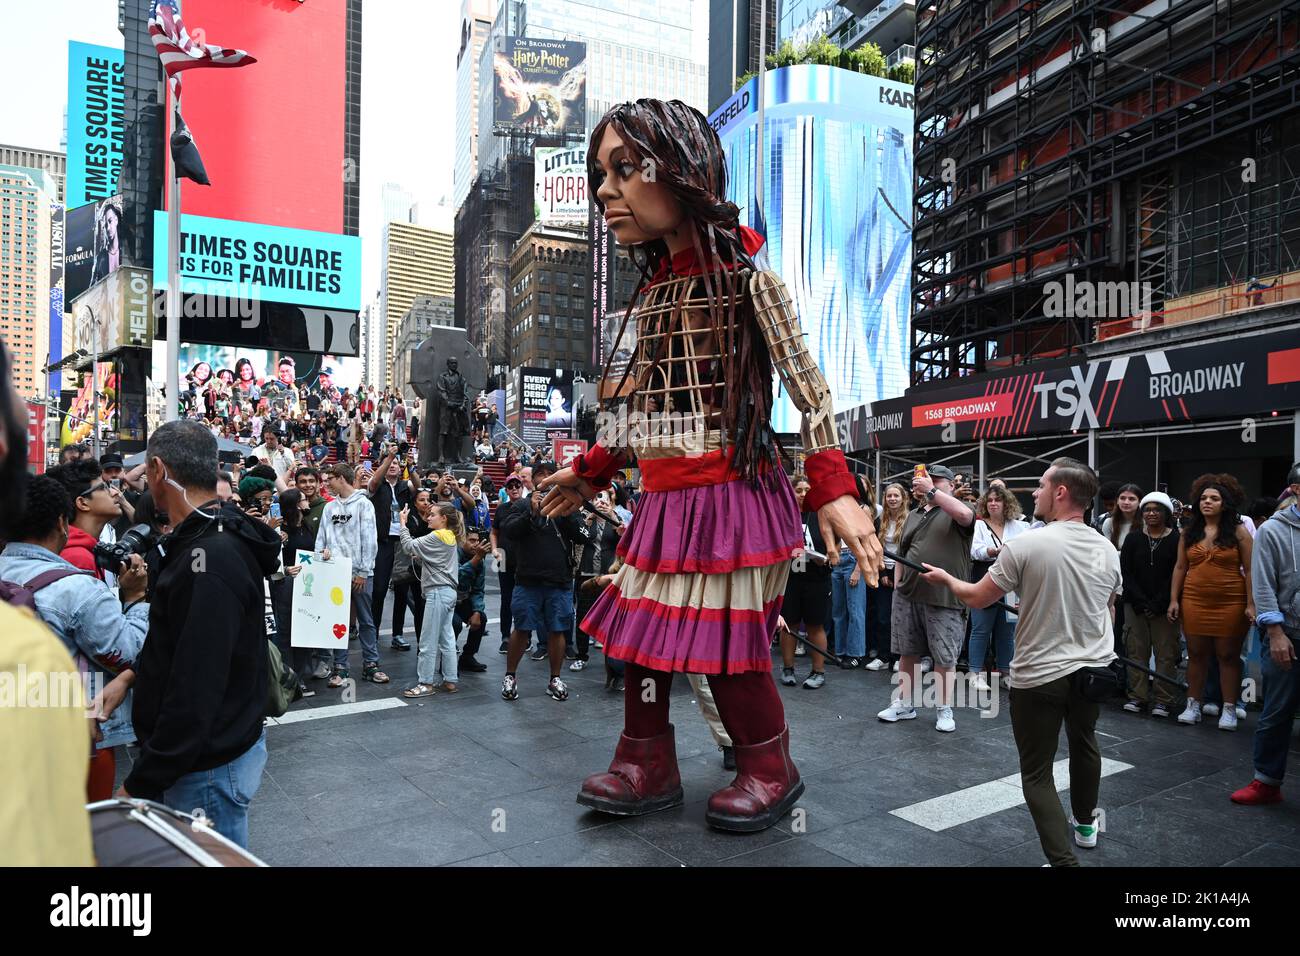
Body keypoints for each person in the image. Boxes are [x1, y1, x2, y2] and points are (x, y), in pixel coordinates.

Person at [538, 99, 880, 832]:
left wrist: (834, 489)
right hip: (662, 501)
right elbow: (639, 411)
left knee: (730, 645)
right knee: (646, 642)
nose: (605, 190)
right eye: (604, 173)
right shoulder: (648, 299)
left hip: (733, 494)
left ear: (683, 171)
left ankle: (768, 764)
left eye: (626, 169)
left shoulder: (754, 284)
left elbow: (808, 387)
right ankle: (646, 760)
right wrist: (592, 469)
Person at [920, 458, 1121, 866]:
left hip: (1040, 675)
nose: (1034, 492)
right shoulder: (1107, 548)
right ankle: (1085, 827)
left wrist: (946, 579)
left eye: (1042, 484)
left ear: (1061, 492)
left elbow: (978, 597)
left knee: (1036, 772)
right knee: (1085, 746)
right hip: (1094, 671)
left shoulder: (1027, 544)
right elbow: (1108, 607)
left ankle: (1064, 861)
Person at [120, 420, 280, 849]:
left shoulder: (208, 556)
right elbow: (182, 644)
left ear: (157, 470)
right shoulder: (209, 537)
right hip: (206, 759)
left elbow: (196, 685)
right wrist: (130, 677)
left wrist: (141, 782)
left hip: (204, 768)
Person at [0, 476, 150, 801]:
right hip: (72, 740)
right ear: (61, 522)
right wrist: (136, 599)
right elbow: (126, 652)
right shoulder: (76, 589)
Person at [877, 464, 975, 733]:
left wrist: (932, 492)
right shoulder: (913, 515)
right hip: (908, 594)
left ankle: (944, 708)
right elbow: (903, 551)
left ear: (950, 486)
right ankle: (904, 702)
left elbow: (966, 515)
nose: (929, 484)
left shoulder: (958, 509)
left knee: (944, 656)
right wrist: (898, 585)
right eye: (927, 480)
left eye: (937, 481)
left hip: (943, 596)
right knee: (907, 652)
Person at [1232, 463, 1300, 805]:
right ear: (1297, 489)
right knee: (1276, 711)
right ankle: (1266, 781)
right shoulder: (1274, 530)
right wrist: (1274, 632)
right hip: (1287, 631)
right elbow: (1262, 584)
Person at [498, 460, 590, 700]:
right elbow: (509, 531)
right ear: (534, 480)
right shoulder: (520, 505)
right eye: (541, 474)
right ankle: (510, 675)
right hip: (527, 580)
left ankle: (555, 678)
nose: (546, 478)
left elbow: (584, 537)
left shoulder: (568, 507)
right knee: (521, 627)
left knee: (558, 629)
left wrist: (569, 512)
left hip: (559, 581)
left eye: (552, 474)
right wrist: (533, 512)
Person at [1169, 475, 1255, 730]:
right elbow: (1180, 567)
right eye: (1204, 498)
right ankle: (1192, 704)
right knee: (1196, 654)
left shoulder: (1239, 532)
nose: (1207, 502)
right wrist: (1174, 599)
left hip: (1232, 601)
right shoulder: (1188, 532)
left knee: (1228, 656)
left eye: (1214, 499)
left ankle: (1229, 708)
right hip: (1194, 599)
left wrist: (1252, 604)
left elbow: (1251, 570)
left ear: (1225, 504)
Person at [316, 463, 388, 686]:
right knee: (338, 620)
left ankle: (371, 664)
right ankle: (340, 667)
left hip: (360, 573)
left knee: (366, 620)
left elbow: (369, 539)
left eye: (330, 479)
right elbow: (322, 538)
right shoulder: (330, 508)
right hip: (336, 572)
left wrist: (363, 571)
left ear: (340, 478)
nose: (327, 483)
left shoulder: (364, 504)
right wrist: (322, 552)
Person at [1118, 492, 1181, 717]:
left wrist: (1158, 603)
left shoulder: (1177, 539)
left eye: (1157, 509)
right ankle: (1138, 697)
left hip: (1165, 607)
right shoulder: (1134, 538)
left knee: (1166, 653)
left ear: (1166, 513)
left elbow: (1178, 572)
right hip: (1134, 604)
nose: (1151, 513)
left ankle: (1164, 700)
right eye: (1147, 509)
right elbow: (1126, 572)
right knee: (1136, 651)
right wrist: (1141, 601)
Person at [398, 502, 465, 697]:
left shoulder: (436, 535)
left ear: (443, 518)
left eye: (433, 515)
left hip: (437, 592)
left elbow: (408, 546)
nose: (428, 517)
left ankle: (425, 683)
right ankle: (451, 680)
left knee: (428, 640)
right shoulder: (450, 536)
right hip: (449, 593)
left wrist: (403, 523)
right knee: (447, 638)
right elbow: (434, 557)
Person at [968, 484, 1030, 691]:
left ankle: (1005, 672)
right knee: (980, 628)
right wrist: (994, 551)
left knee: (1008, 629)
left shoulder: (1020, 526)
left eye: (998, 500)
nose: (993, 503)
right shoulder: (978, 525)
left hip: (1012, 582)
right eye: (990, 500)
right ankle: (975, 672)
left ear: (1006, 503)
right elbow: (974, 551)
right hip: (984, 578)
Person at [778, 475, 832, 689]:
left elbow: (833, 546)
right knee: (789, 624)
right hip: (790, 576)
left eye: (807, 489)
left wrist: (825, 557)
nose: (803, 494)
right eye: (798, 490)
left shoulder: (822, 515)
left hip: (817, 577)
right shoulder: (784, 515)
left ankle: (818, 671)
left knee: (815, 625)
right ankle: (788, 668)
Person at [366, 444, 416, 653]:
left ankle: (397, 634)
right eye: (389, 463)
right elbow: (374, 482)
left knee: (402, 590)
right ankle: (374, 632)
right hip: (383, 541)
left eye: (396, 463)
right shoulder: (378, 485)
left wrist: (410, 467)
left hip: (402, 541)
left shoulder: (405, 485)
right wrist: (389, 456)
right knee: (378, 589)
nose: (393, 465)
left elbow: (418, 486)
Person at [572, 490, 626, 672]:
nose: (601, 502)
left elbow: (624, 542)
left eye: (605, 500)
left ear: (612, 503)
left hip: (608, 575)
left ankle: (611, 659)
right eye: (597, 499)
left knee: (611, 617)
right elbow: (580, 537)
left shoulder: (617, 521)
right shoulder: (585, 518)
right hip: (586, 572)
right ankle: (581, 655)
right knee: (582, 614)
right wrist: (591, 516)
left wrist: (611, 517)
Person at [272, 488, 318, 698]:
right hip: (287, 585)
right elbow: (275, 560)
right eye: (303, 499)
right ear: (296, 505)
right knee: (286, 632)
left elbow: (312, 552)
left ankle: (301, 676)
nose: (307, 500)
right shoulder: (282, 530)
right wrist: (286, 569)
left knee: (304, 630)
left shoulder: (306, 526)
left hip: (307, 584)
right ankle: (289, 680)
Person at [829, 474, 874, 669]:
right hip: (838, 561)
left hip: (854, 560)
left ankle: (855, 654)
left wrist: (858, 570)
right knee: (838, 610)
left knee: (855, 610)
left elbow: (868, 543)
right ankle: (840, 651)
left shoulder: (864, 510)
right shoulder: (838, 509)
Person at [866, 482, 909, 671]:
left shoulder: (910, 519)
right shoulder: (879, 519)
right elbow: (875, 548)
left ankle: (900, 658)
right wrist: (882, 572)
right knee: (883, 617)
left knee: (902, 618)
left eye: (896, 496)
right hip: (883, 571)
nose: (892, 499)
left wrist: (900, 575)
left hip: (904, 573)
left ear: (903, 498)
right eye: (889, 496)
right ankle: (884, 657)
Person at [491, 475, 529, 654]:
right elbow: (494, 531)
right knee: (506, 598)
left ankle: (525, 636)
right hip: (504, 557)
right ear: (506, 490)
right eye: (511, 486)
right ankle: (505, 636)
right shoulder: (502, 509)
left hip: (524, 558)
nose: (514, 489)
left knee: (524, 598)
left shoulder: (528, 506)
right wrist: (494, 549)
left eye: (517, 485)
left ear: (522, 487)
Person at [391, 487, 431, 650]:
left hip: (422, 565)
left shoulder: (432, 517)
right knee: (400, 598)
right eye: (422, 500)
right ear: (415, 502)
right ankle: (397, 634)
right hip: (404, 563)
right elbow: (413, 534)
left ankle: (421, 639)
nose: (426, 503)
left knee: (421, 603)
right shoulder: (409, 515)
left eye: (428, 499)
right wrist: (425, 519)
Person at [455, 526, 492, 673]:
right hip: (446, 601)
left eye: (477, 541)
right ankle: (447, 662)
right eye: (471, 540)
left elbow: (478, 590)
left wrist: (477, 611)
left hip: (463, 600)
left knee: (481, 618)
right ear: (462, 540)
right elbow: (457, 577)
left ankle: (467, 657)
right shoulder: (454, 553)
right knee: (455, 624)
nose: (475, 544)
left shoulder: (479, 560)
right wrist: (476, 558)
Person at [1101, 483, 1143, 550]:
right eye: (1122, 498)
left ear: (1140, 502)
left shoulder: (1146, 523)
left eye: (1131, 499)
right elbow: (1106, 550)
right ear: (1117, 501)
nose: (1126, 502)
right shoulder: (1109, 523)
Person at [295, 465, 328, 537]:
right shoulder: (293, 507)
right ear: (296, 485)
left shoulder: (327, 507)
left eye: (311, 481)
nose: (308, 485)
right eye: (303, 482)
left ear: (317, 484)